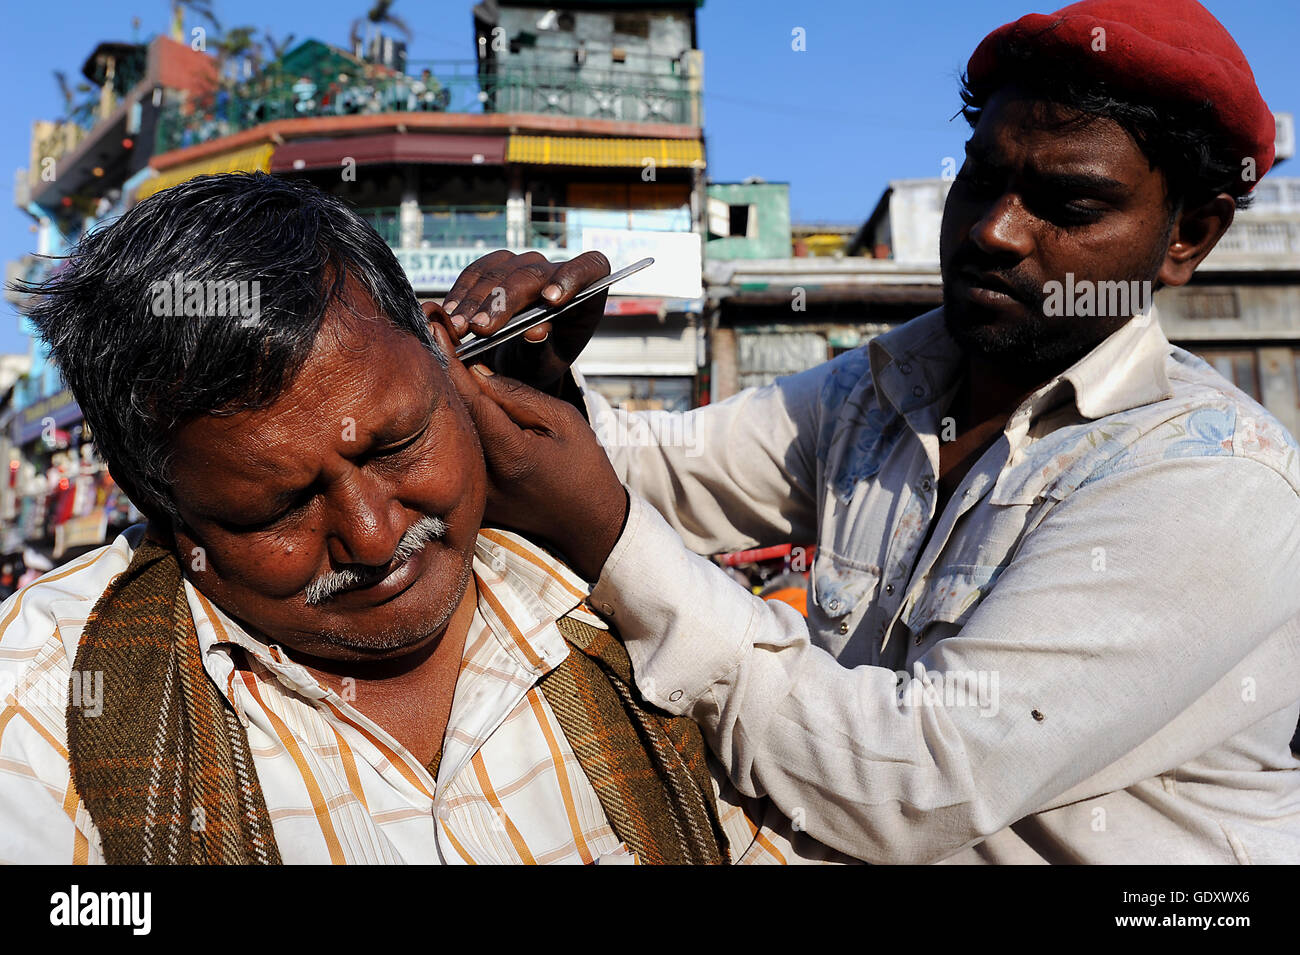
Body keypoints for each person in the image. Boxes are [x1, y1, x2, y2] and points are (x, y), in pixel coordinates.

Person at [432, 0, 1300, 863]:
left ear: (1189, 234)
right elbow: (656, 473)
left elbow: (908, 783)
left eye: (1067, 206)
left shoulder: (1212, 479)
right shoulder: (886, 389)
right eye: (981, 177)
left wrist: (602, 526)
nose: (995, 230)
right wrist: (536, 372)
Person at [0, 173, 846, 865]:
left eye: (396, 442)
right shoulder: (46, 704)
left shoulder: (613, 601)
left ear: (448, 361)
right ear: (167, 514)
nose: (372, 536)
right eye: (279, 507)